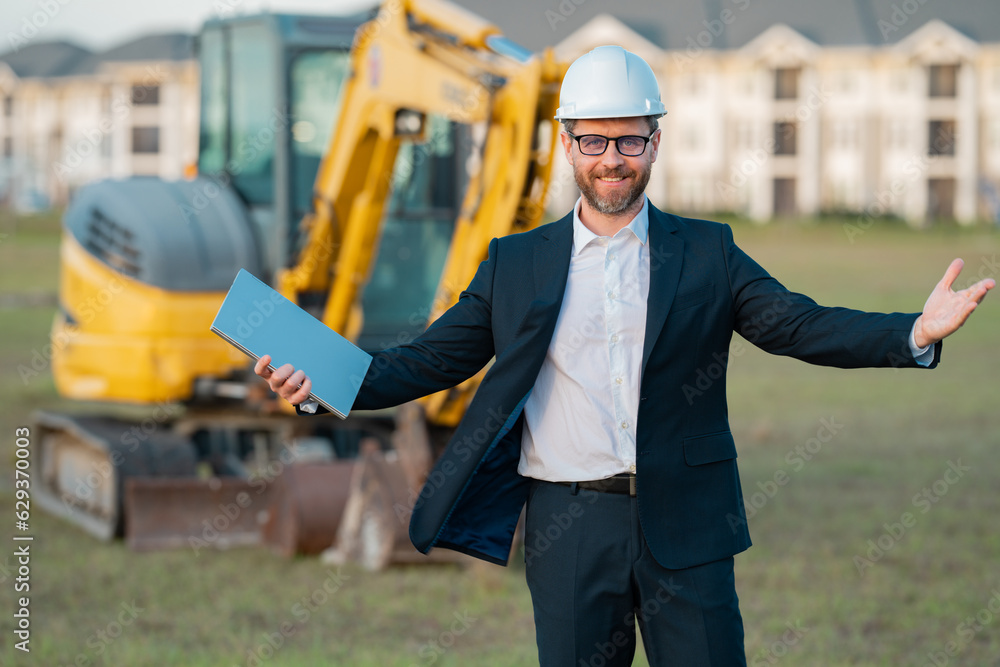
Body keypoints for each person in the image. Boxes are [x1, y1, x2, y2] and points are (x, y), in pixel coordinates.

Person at [255, 45, 994, 666]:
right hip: (568, 528)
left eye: (630, 140)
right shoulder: (516, 264)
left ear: (655, 141)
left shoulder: (708, 252)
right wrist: (316, 380)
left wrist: (913, 333)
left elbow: (796, 324)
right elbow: (422, 362)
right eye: (595, 141)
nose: (613, 159)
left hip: (690, 527)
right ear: (567, 142)